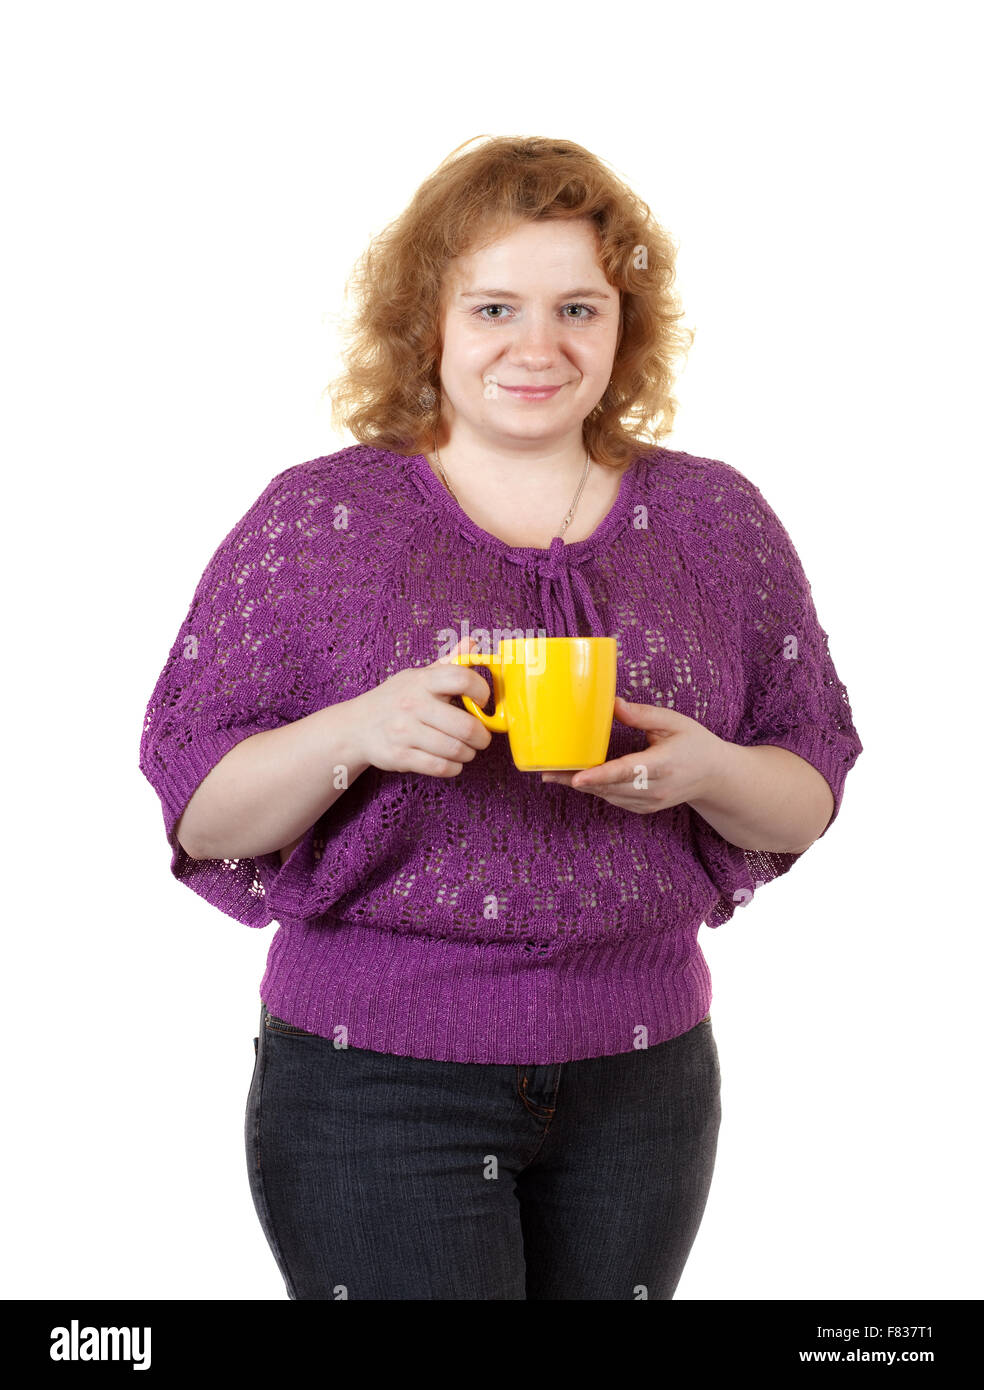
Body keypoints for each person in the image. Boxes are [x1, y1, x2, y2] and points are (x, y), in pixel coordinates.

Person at [138, 135, 863, 1300]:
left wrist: (706, 769)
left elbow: (809, 784)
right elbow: (205, 814)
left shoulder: (716, 521)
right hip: (375, 1084)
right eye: (494, 307)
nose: (540, 346)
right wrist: (353, 734)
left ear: (628, 322)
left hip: (647, 1083)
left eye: (579, 305)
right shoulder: (320, 521)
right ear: (427, 319)